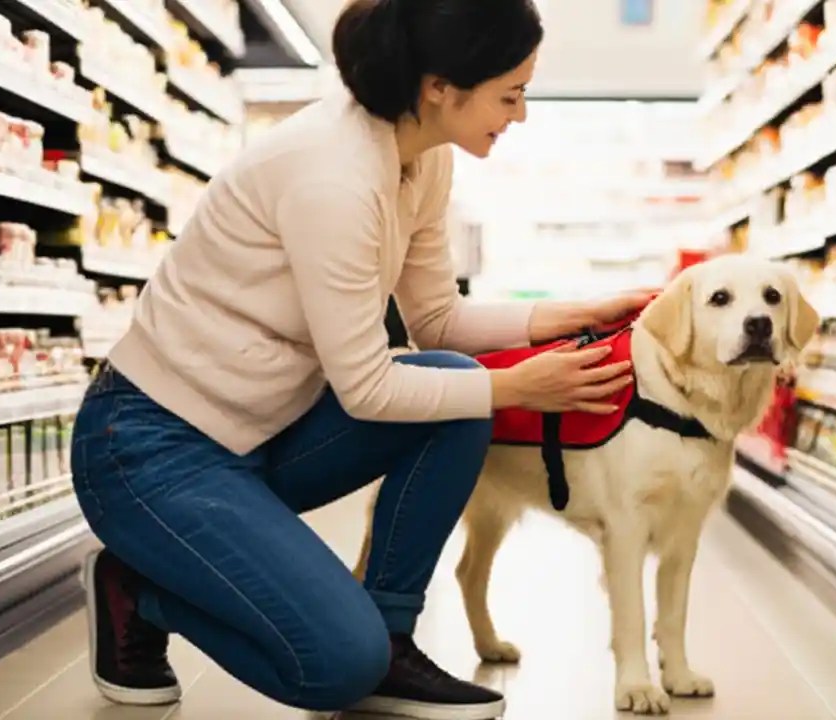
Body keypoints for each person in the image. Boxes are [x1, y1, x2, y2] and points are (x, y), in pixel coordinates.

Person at [70, 1, 645, 718]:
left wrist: (567, 316)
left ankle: (392, 637)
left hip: (262, 431)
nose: (520, 114)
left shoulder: (422, 157)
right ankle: (139, 589)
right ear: (441, 86)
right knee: (337, 663)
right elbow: (369, 388)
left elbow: (436, 321)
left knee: (458, 387)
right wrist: (519, 386)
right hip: (151, 445)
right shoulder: (331, 176)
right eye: (511, 93)